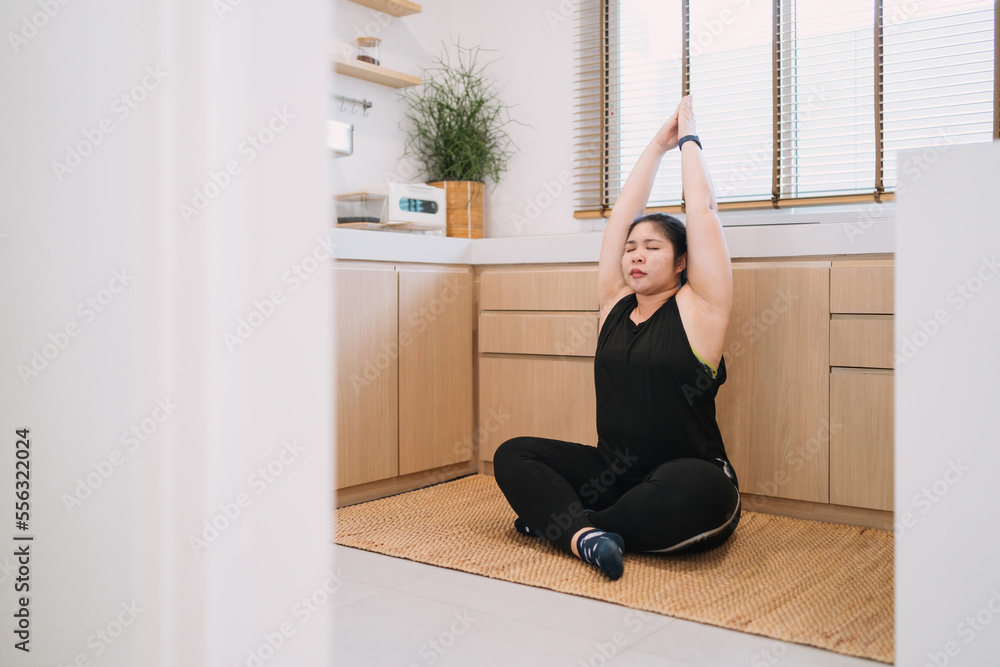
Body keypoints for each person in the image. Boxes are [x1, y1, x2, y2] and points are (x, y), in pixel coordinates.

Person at [493, 96, 740, 581]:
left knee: (695, 487)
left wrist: (687, 138)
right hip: (612, 475)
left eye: (652, 247)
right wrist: (655, 145)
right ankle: (588, 537)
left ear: (682, 261)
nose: (636, 255)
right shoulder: (615, 302)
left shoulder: (701, 309)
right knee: (514, 453)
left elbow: (703, 211)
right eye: (631, 248)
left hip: (685, 474)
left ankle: (568, 527)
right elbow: (622, 212)